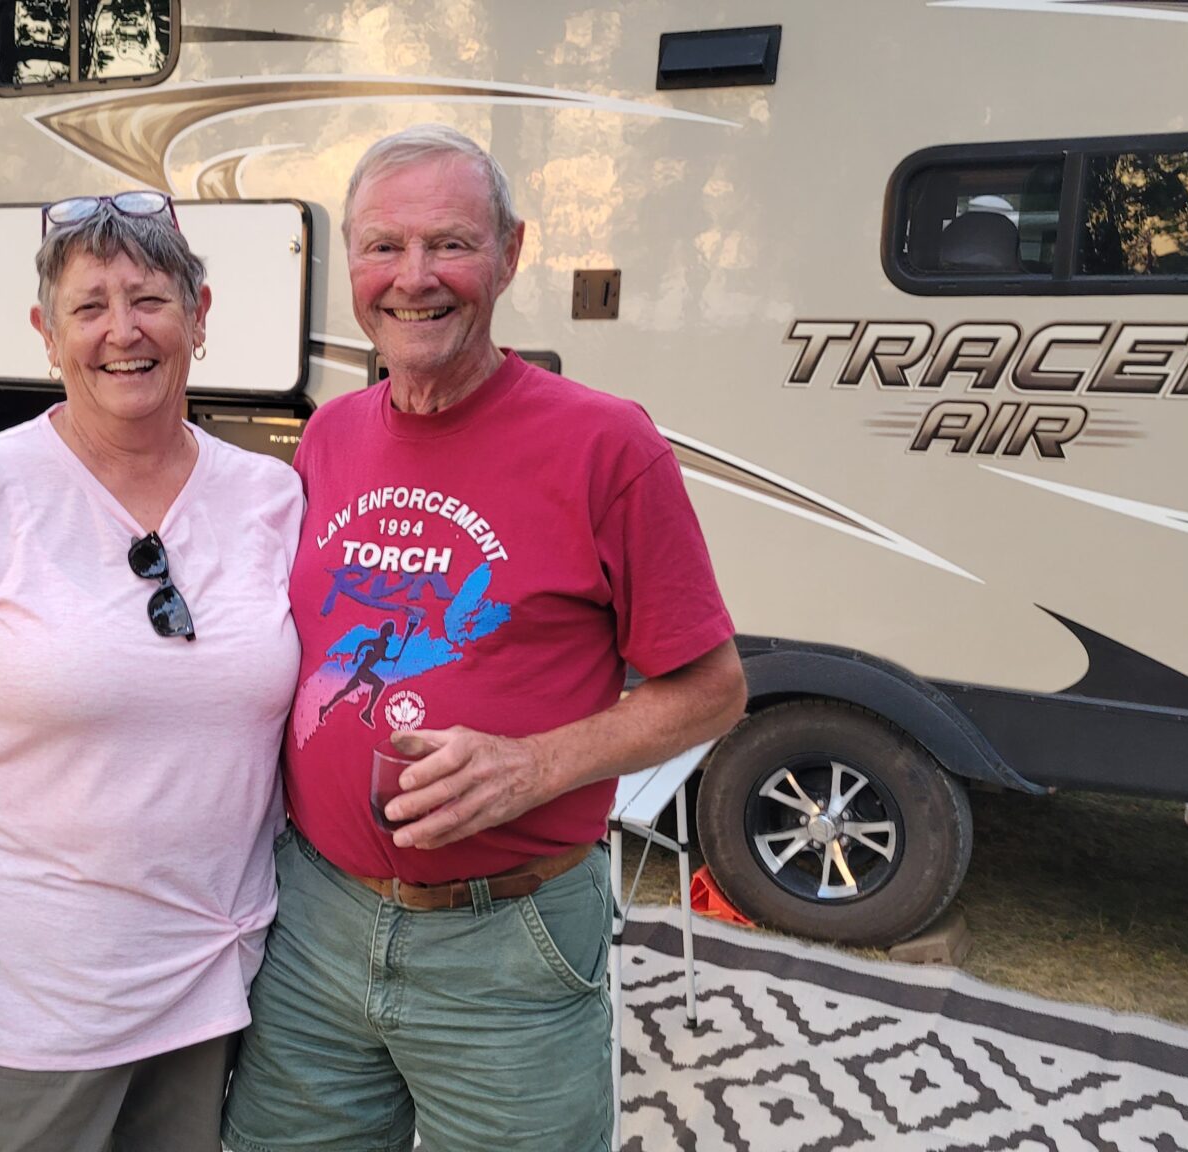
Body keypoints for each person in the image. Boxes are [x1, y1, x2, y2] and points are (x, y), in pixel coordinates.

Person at [223, 125, 749, 1152]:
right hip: (314, 920)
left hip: (504, 942)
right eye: (382, 247)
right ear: (350, 267)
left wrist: (533, 765)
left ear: (508, 254)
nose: (412, 279)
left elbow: (712, 689)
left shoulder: (607, 445)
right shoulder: (331, 434)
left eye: (448, 245)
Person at [0, 191, 304, 1152]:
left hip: (220, 984)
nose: (121, 332)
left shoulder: (271, 496)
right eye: (89, 307)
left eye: (149, 299)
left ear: (201, 317)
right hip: (37, 1006)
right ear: (46, 335)